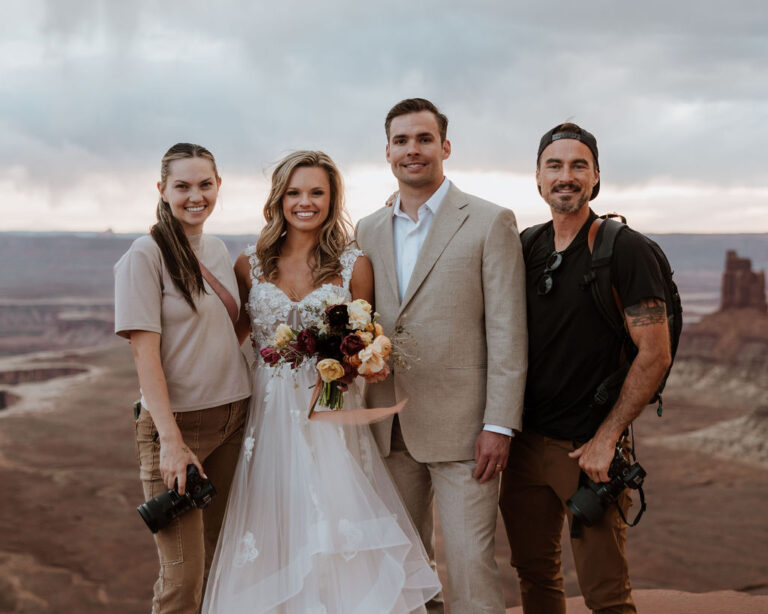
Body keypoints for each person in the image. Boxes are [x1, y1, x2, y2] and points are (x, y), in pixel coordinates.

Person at [202, 150, 441, 613]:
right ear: (279, 199)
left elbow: (362, 341)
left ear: (332, 200)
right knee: (278, 530)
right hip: (268, 422)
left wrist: (365, 362)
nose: (305, 202)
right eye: (294, 192)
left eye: (316, 192)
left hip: (331, 417)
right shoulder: (250, 264)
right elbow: (228, 343)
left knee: (335, 534)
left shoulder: (354, 265)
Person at [355, 98, 528, 614]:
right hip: (388, 427)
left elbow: (507, 331)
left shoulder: (490, 222)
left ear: (445, 147)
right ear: (387, 151)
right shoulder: (366, 229)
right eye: (402, 141)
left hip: (466, 432)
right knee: (402, 568)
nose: (414, 150)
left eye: (424, 139)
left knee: (472, 567)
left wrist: (499, 424)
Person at [499, 123, 672, 614]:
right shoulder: (527, 246)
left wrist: (608, 436)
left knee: (606, 595)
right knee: (534, 576)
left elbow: (655, 353)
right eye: (554, 165)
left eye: (579, 165)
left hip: (588, 452)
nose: (566, 176)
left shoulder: (624, 249)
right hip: (524, 445)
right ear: (537, 177)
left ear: (596, 178)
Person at [114, 143, 252, 612]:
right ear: (162, 190)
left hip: (235, 421)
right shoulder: (144, 256)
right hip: (178, 431)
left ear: (218, 186)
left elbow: (230, 331)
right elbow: (144, 355)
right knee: (182, 580)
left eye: (205, 184)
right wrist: (171, 441)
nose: (196, 195)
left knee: (223, 565)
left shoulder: (216, 249)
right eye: (183, 186)